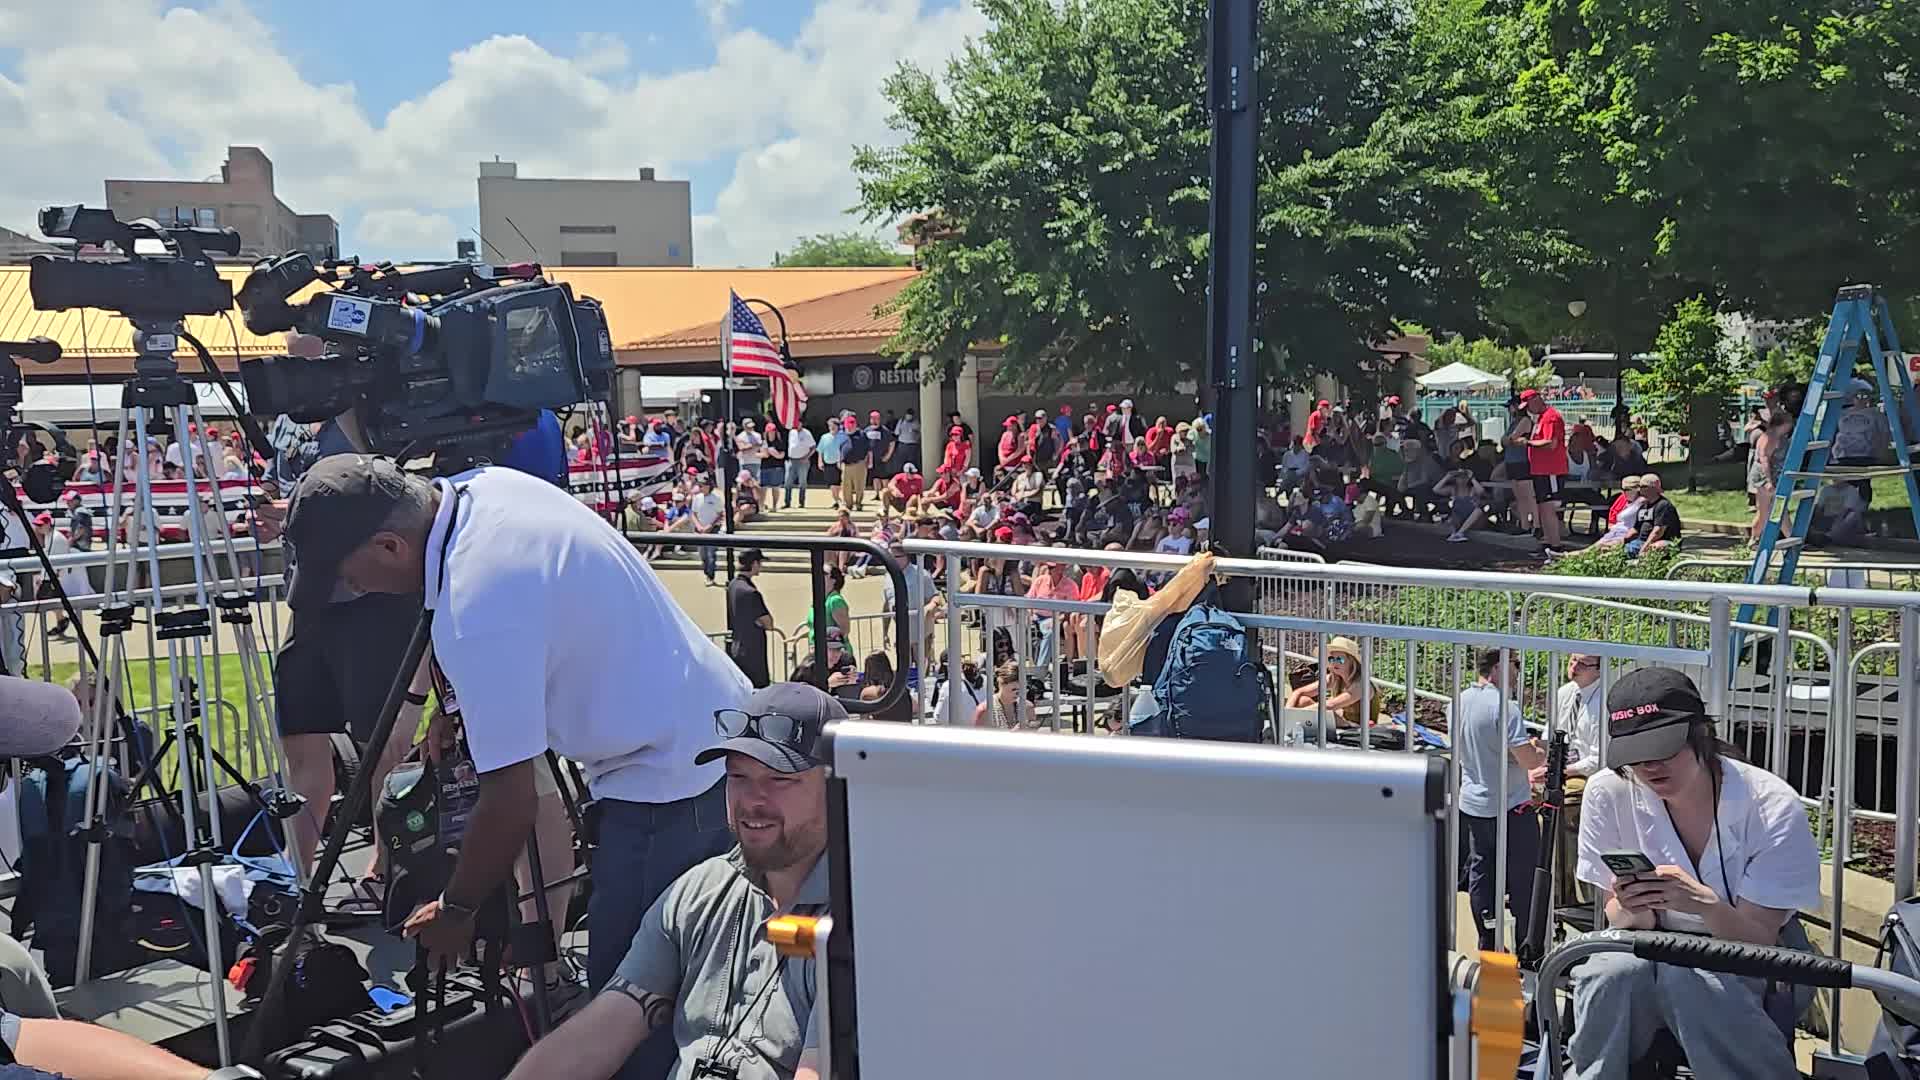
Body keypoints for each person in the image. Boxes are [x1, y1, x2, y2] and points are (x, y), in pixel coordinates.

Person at [279, 456, 753, 1078]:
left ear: (390, 545)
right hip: (708, 737)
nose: (357, 594)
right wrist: (461, 709)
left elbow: (509, 802)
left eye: (352, 580)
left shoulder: (476, 602)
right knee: (689, 973)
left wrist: (456, 910)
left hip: (667, 779)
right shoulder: (486, 487)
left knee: (629, 1008)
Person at [506, 682, 838, 1080]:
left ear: (836, 788)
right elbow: (600, 1032)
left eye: (779, 780)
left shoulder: (862, 918)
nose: (752, 800)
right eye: (738, 777)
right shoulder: (699, 893)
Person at [1569, 667, 1820, 1080]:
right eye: (1634, 754)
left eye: (1663, 750)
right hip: (1649, 940)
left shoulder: (1771, 805)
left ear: (1699, 733)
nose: (1649, 767)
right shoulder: (1608, 792)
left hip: (1753, 949)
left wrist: (1703, 904)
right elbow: (1618, 917)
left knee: (1690, 980)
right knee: (1609, 975)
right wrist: (1636, 910)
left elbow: (1761, 937)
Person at [1457, 648, 1546, 951]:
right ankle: (1528, 947)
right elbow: (1530, 761)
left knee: (1482, 871)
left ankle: (1488, 942)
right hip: (1510, 805)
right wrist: (1539, 749)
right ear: (1499, 667)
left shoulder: (1461, 700)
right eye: (1516, 664)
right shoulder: (1505, 707)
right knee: (1524, 879)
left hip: (1473, 802)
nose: (1518, 671)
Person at [1284, 636, 1379, 729]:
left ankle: (1293, 726)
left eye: (1339, 659)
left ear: (1352, 661)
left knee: (1325, 711)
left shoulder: (1361, 684)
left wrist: (1295, 716)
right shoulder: (1334, 678)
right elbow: (1298, 692)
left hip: (1360, 728)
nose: (1334, 663)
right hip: (1343, 721)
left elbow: (1330, 705)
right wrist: (1287, 712)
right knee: (1302, 700)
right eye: (1331, 659)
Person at [1522, 388, 1569, 550]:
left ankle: (1555, 545)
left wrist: (1527, 443)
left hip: (1551, 470)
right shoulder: (1541, 418)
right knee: (1543, 506)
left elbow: (1550, 443)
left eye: (1528, 404)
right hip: (1540, 471)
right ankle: (1548, 541)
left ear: (1535, 400)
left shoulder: (1551, 417)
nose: (1528, 409)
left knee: (1549, 507)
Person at [728, 549, 774, 688]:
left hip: (737, 645)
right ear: (754, 564)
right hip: (753, 651)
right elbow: (768, 623)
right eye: (760, 563)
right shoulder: (751, 592)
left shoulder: (733, 585)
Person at [1556, 654, 1606, 779]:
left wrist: (1562, 771)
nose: (1574, 666)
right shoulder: (1564, 691)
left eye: (1583, 664)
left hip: (1587, 775)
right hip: (1560, 767)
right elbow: (1549, 731)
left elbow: (1599, 760)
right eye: (1573, 659)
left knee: (1569, 797)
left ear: (1599, 670)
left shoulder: (1603, 703)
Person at [1628, 474, 1681, 555]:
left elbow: (1658, 532)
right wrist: (1620, 541)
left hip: (1663, 542)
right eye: (1639, 486)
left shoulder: (1663, 505)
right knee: (1623, 550)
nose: (1639, 490)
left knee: (1656, 547)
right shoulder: (1643, 507)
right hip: (1640, 542)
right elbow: (1635, 529)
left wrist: (1644, 548)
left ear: (1653, 488)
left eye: (1643, 486)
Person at [838, 417, 870, 511]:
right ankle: (848, 505)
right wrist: (839, 461)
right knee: (845, 486)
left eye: (852, 424)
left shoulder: (862, 434)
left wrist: (868, 461)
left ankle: (859, 503)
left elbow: (868, 449)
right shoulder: (842, 435)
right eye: (848, 425)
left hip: (859, 463)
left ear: (856, 425)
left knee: (859, 485)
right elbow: (840, 449)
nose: (850, 427)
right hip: (846, 465)